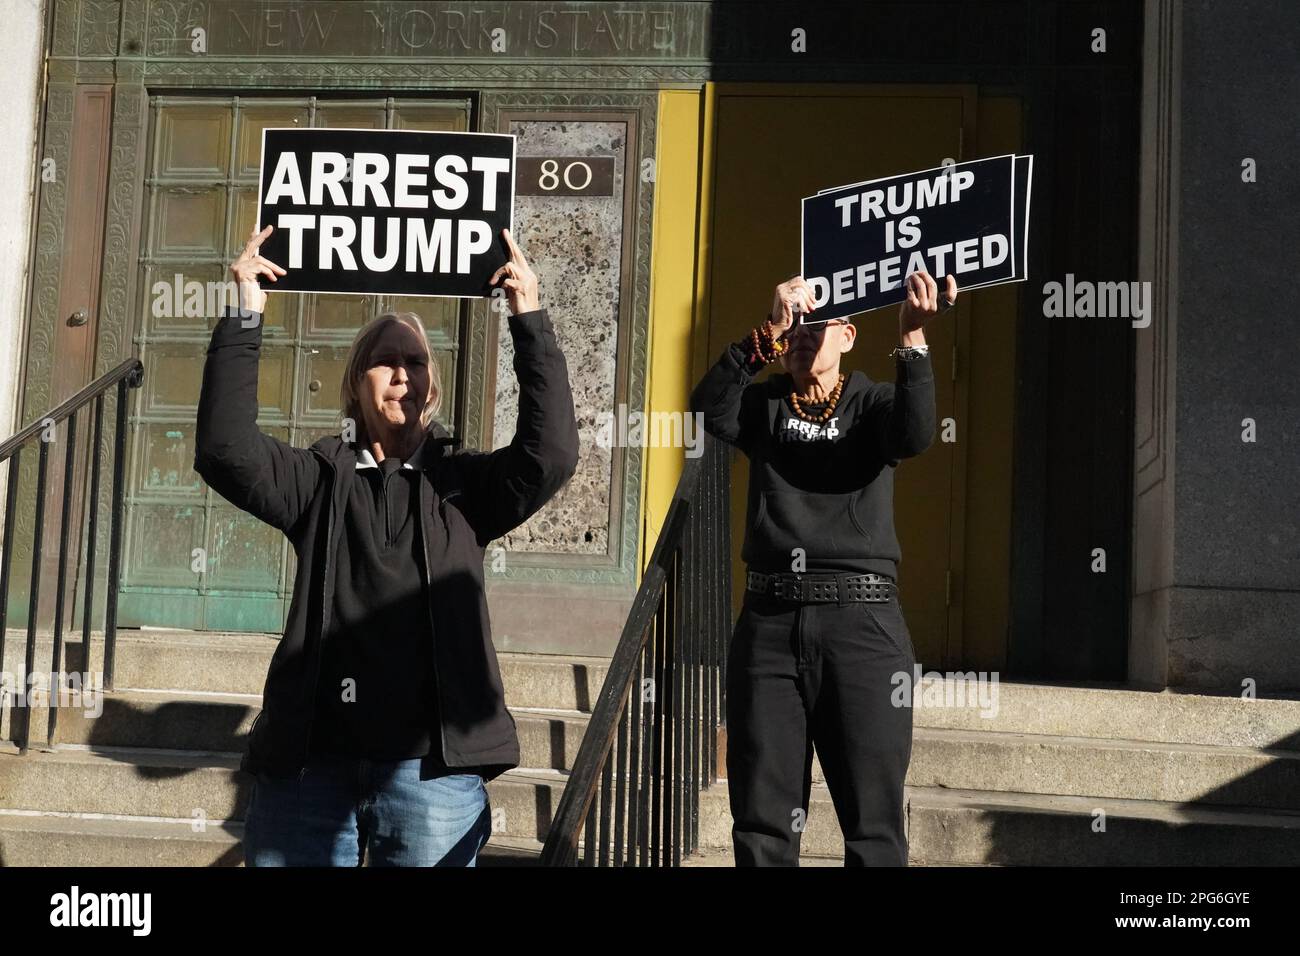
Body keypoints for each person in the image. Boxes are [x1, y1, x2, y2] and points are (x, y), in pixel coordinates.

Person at [194, 224, 579, 866]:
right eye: (385, 361)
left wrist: (529, 317)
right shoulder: (314, 481)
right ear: (356, 383)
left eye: (416, 362)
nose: (402, 373)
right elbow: (224, 449)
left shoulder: (464, 487)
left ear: (433, 386)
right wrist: (245, 310)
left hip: (433, 772)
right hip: (311, 765)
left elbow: (552, 454)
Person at [690, 269, 956, 866]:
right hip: (770, 624)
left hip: (861, 624)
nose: (805, 336)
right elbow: (707, 409)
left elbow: (914, 434)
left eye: (820, 326)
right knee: (762, 825)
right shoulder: (764, 405)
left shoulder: (873, 403)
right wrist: (766, 331)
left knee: (872, 826)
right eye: (798, 326)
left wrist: (912, 337)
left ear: (848, 336)